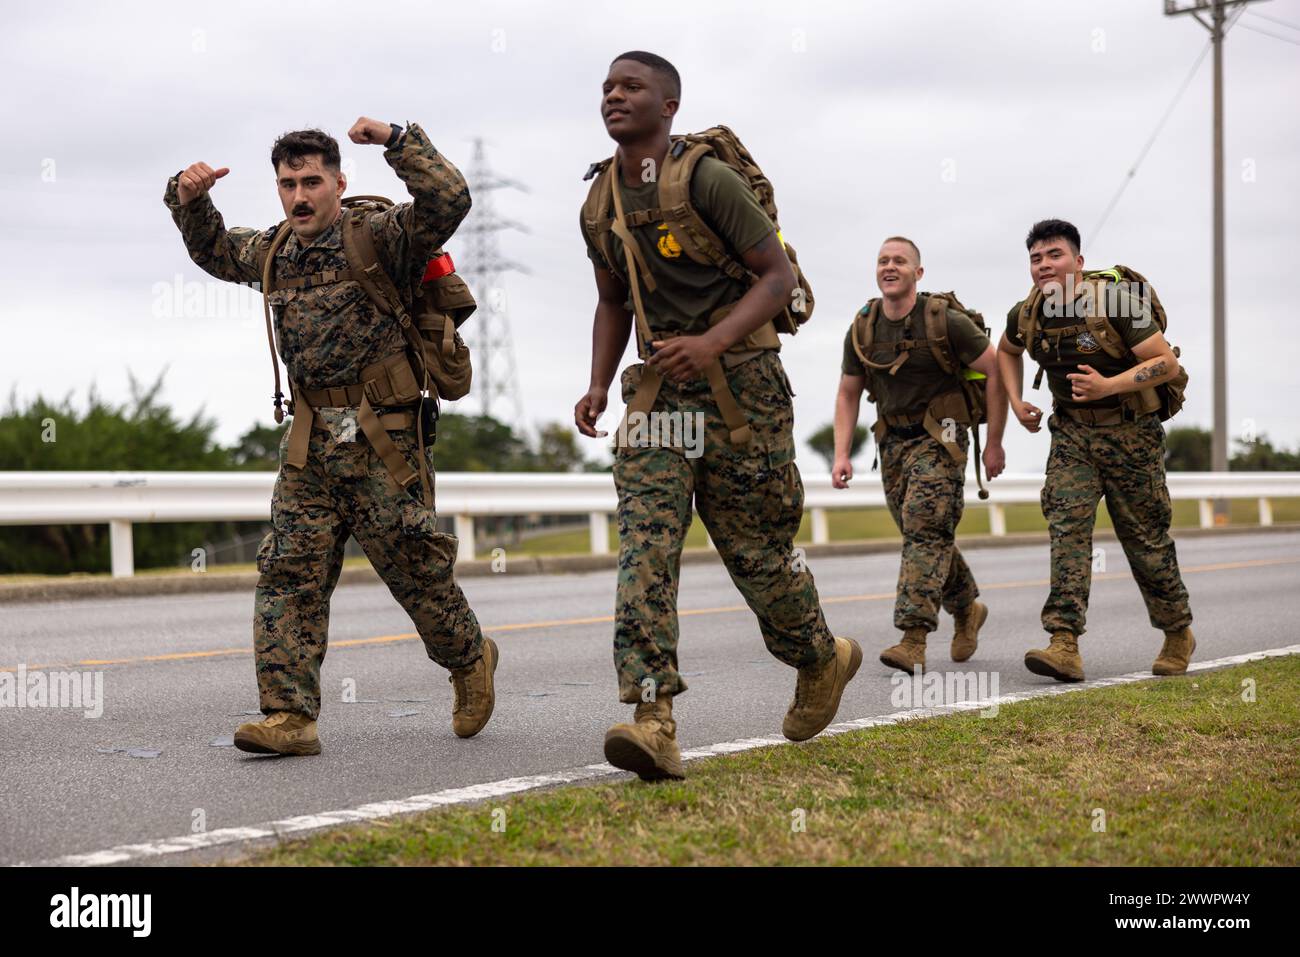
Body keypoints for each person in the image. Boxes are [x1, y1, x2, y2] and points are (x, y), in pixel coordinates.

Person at [164, 117, 497, 755]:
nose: (299, 195)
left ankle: (469, 658)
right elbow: (213, 251)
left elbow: (450, 199)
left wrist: (399, 142)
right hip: (310, 442)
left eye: (311, 180)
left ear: (339, 183)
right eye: (288, 183)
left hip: (384, 437)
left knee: (415, 571)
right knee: (289, 573)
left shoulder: (380, 237)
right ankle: (290, 717)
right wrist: (189, 199)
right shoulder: (274, 251)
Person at [574, 51, 861, 781]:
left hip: (743, 386)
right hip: (660, 396)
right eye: (608, 86)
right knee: (646, 545)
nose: (615, 96)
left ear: (667, 105)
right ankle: (653, 717)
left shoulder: (706, 176)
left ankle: (820, 657)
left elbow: (777, 277)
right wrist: (600, 385)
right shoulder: (598, 201)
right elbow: (612, 300)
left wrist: (711, 342)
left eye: (631, 86)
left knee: (757, 554)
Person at [996, 218, 1195, 681]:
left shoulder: (1116, 303)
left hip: (1131, 435)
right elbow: (1005, 351)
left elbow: (1165, 363)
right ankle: (1063, 642)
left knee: (1145, 541)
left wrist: (1108, 385)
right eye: (1036, 258)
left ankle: (1176, 630)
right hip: (1072, 438)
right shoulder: (1027, 313)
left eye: (1054, 255)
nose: (1044, 265)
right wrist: (1015, 400)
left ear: (1078, 263)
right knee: (1066, 530)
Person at [833, 237, 1005, 673]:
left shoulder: (943, 320)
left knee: (925, 529)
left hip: (941, 436)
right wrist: (841, 454)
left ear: (918, 273)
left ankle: (913, 638)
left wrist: (994, 442)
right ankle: (966, 608)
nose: (890, 267)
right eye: (883, 260)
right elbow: (848, 393)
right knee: (923, 534)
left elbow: (995, 370)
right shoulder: (864, 325)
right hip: (892, 442)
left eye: (900, 261)